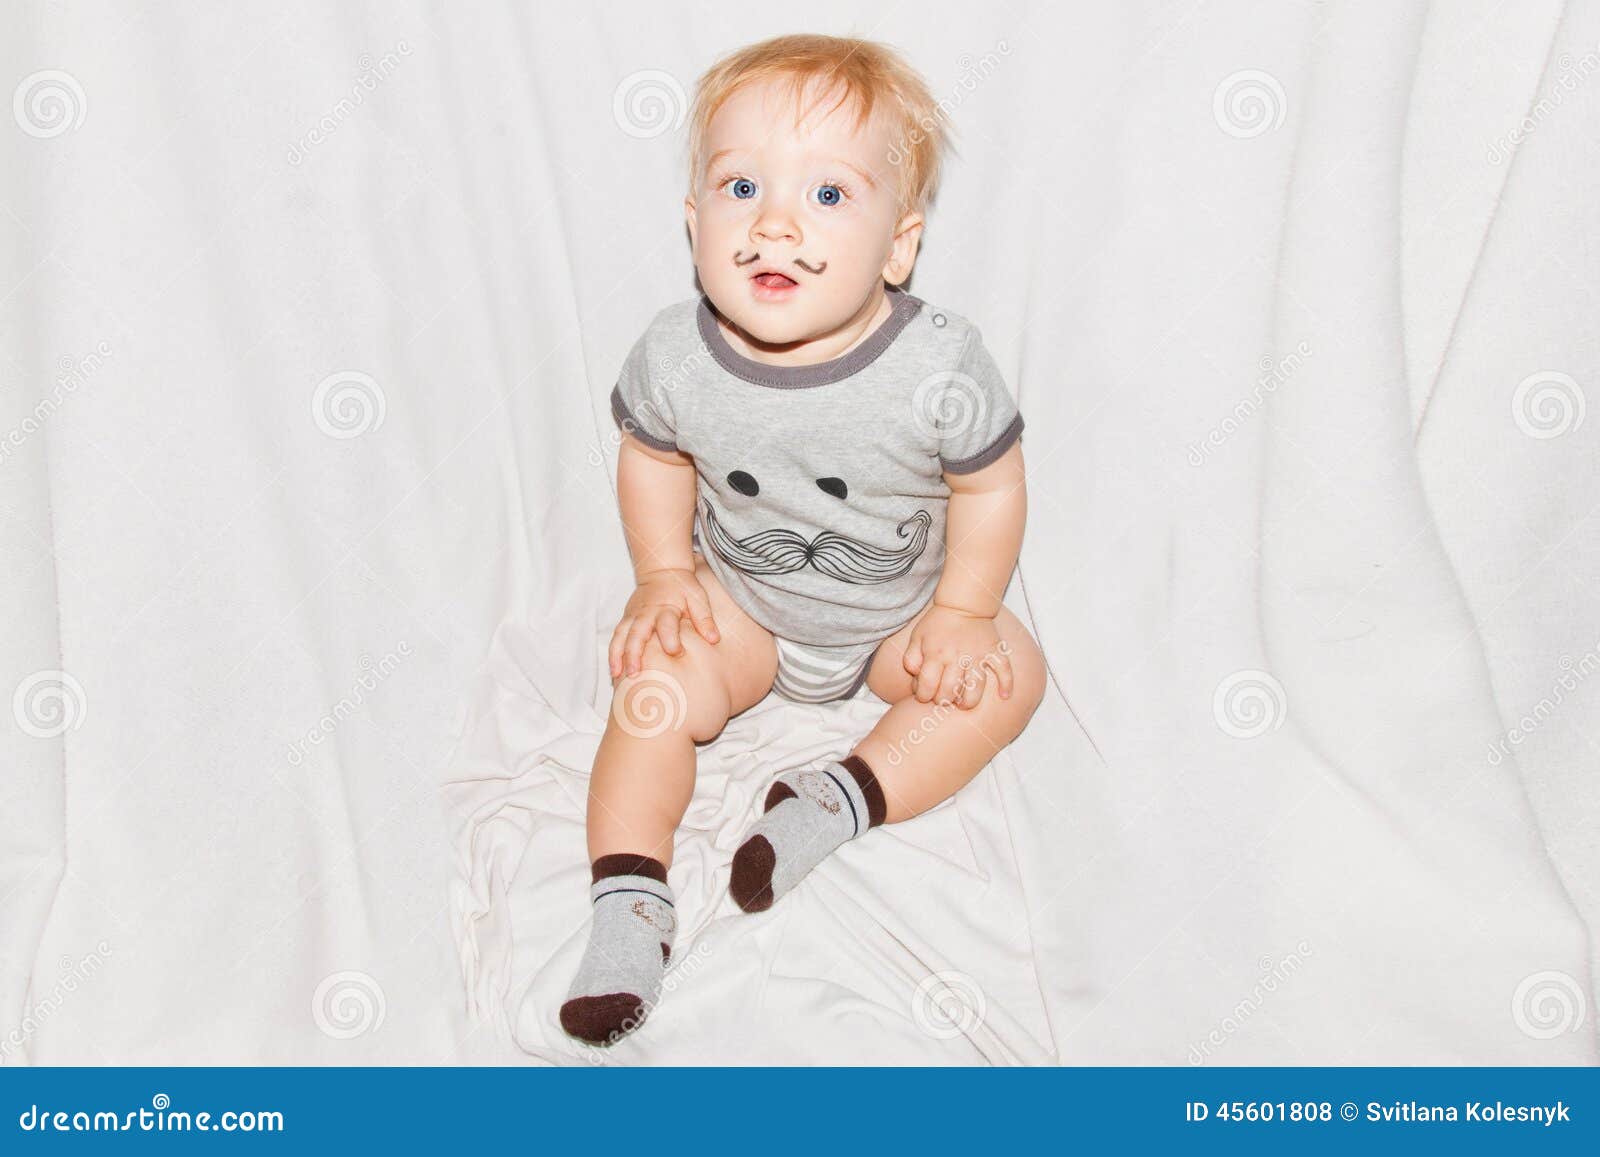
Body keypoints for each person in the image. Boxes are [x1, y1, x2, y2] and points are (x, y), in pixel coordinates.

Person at [561, 32, 1047, 1047]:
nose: (774, 222)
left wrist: (963, 612)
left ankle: (837, 798)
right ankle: (628, 900)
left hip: (898, 618)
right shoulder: (673, 355)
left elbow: (991, 483)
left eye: (827, 194)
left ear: (899, 247)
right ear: (694, 221)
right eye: (741, 187)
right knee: (649, 693)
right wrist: (664, 574)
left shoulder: (940, 365)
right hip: (745, 609)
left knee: (1010, 675)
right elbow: (652, 457)